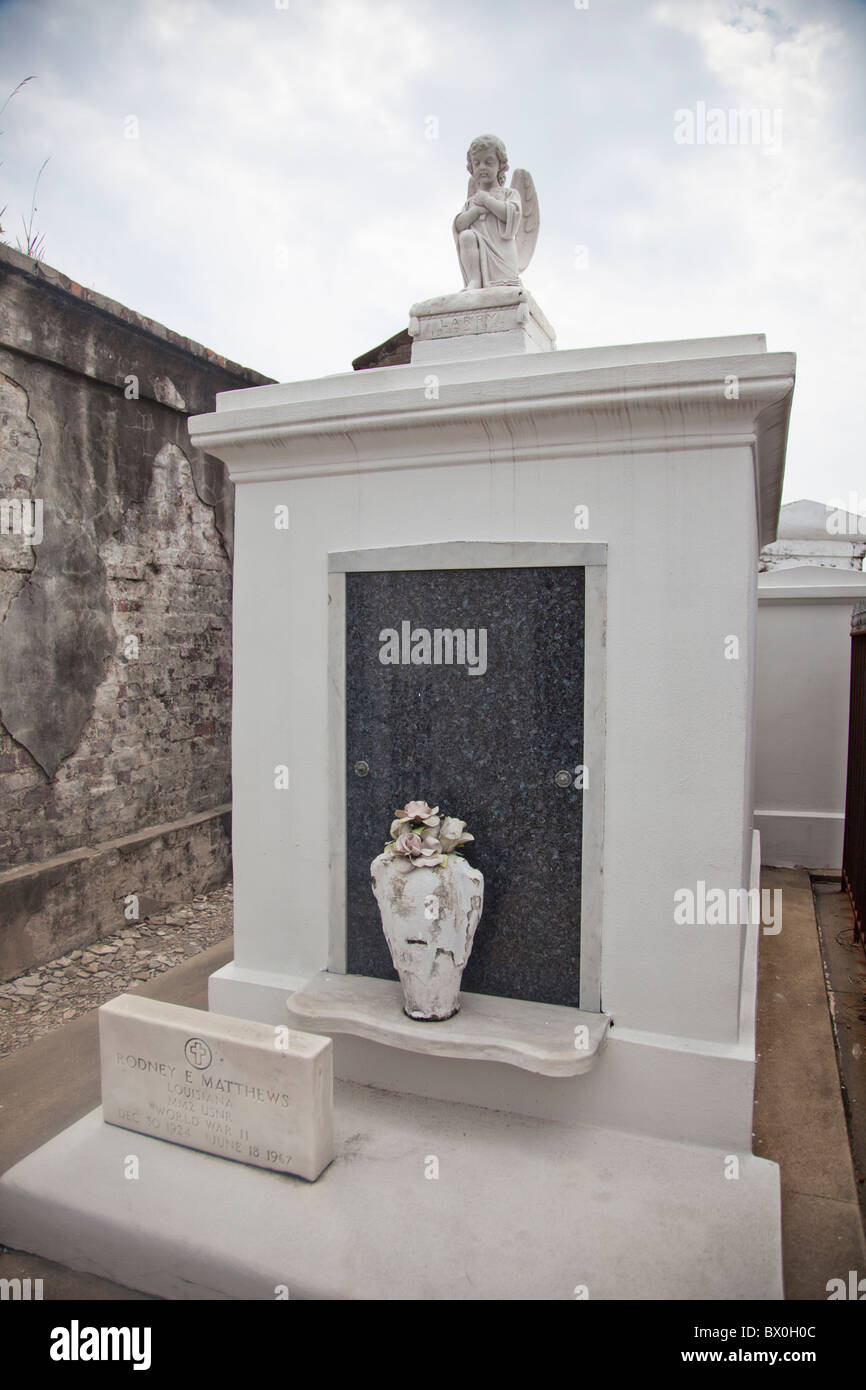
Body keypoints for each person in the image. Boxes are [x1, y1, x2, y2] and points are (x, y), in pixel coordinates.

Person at [453, 134, 522, 289]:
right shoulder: (472, 202)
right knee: (466, 236)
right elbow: (459, 225)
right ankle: (475, 281)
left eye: (488, 162)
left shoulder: (508, 194)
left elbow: (511, 215)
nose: (482, 167)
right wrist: (476, 211)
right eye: (477, 163)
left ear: (500, 165)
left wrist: (487, 201)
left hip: (502, 254)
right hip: (480, 247)